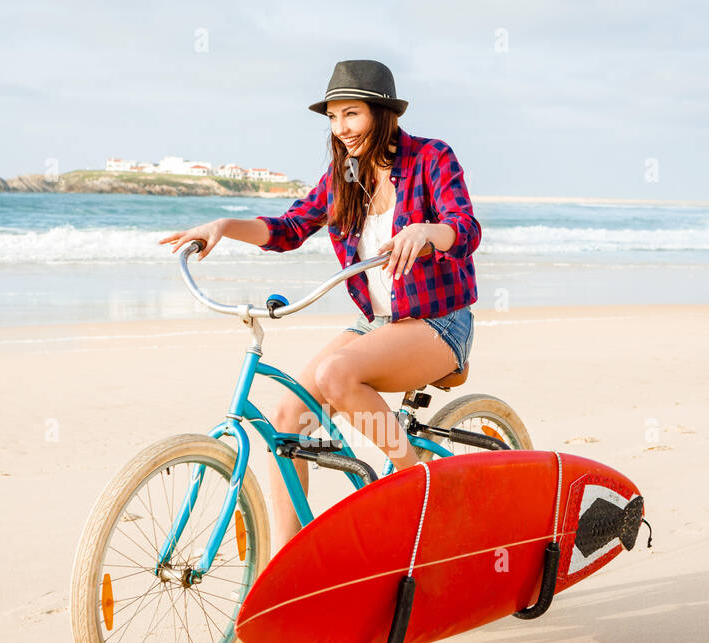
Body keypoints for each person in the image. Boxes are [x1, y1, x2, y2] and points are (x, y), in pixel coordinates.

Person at [159, 59, 481, 553]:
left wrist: (425, 232)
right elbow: (287, 229)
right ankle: (289, 564)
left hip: (438, 320)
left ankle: (411, 470)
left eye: (351, 115)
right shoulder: (343, 177)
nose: (341, 129)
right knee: (289, 414)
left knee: (336, 374)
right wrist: (224, 225)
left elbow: (465, 228)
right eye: (332, 118)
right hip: (376, 323)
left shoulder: (432, 158)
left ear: (380, 113)